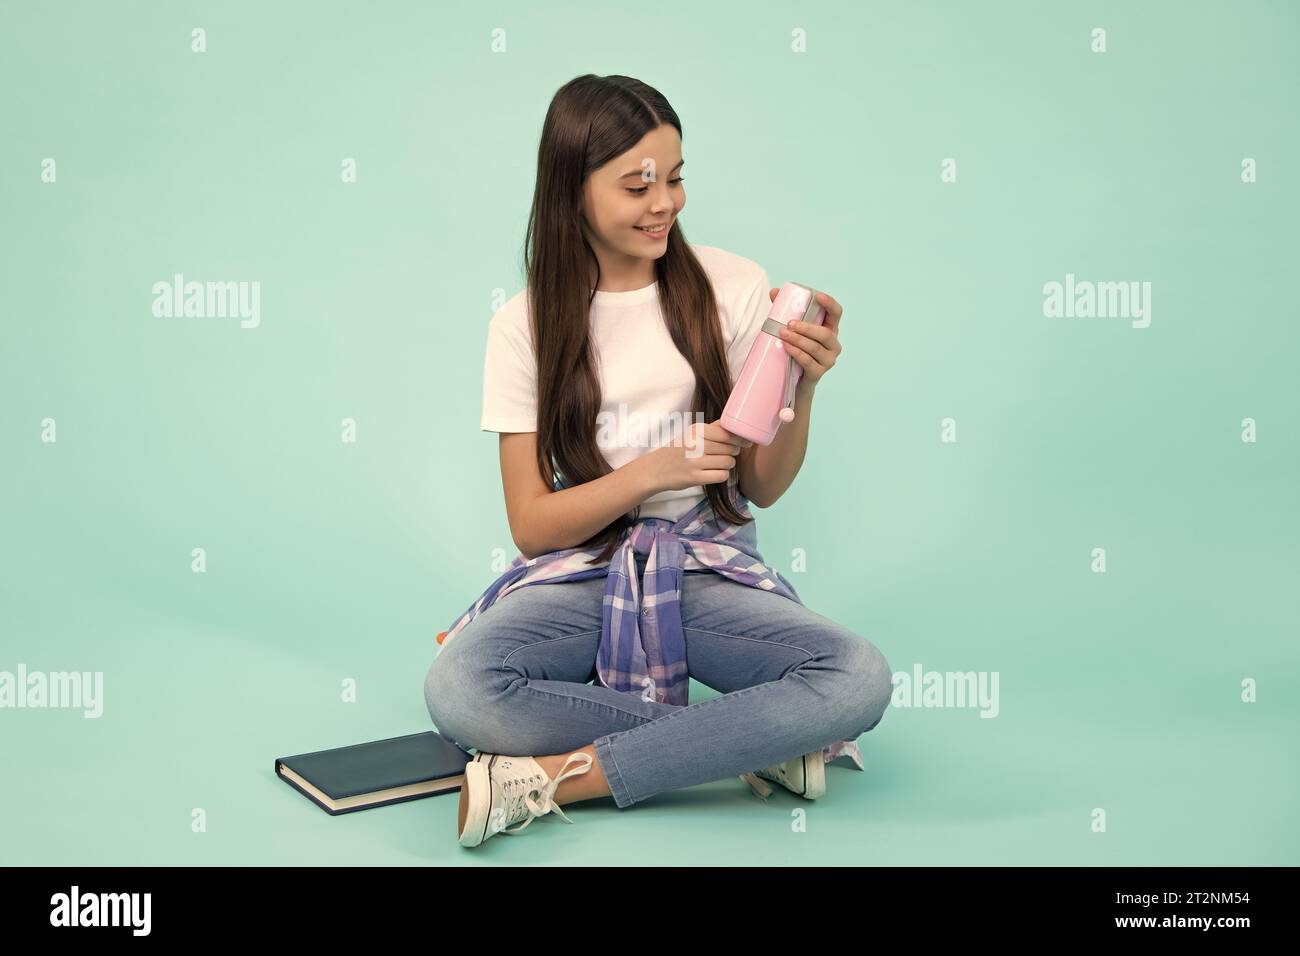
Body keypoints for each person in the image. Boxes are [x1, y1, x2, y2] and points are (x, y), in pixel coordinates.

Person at [424, 74, 893, 848]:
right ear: (571, 191)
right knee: (461, 692)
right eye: (637, 185)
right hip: (584, 572)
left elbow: (763, 488)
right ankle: (758, 741)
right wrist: (651, 471)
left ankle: (552, 778)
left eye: (675, 179)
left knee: (858, 676)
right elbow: (534, 526)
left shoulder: (731, 286)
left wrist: (801, 389)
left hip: (706, 572)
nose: (664, 203)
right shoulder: (523, 328)